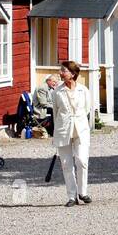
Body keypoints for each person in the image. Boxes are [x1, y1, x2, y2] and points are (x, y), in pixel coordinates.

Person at [51, 60, 92, 204]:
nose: (60, 73)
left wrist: (78, 120)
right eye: (61, 70)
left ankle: (83, 192)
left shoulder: (84, 90)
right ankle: (71, 196)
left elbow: (87, 109)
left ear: (73, 74)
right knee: (66, 164)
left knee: (82, 160)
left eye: (63, 70)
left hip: (81, 129)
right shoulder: (57, 92)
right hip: (63, 130)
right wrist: (57, 131)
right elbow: (55, 113)